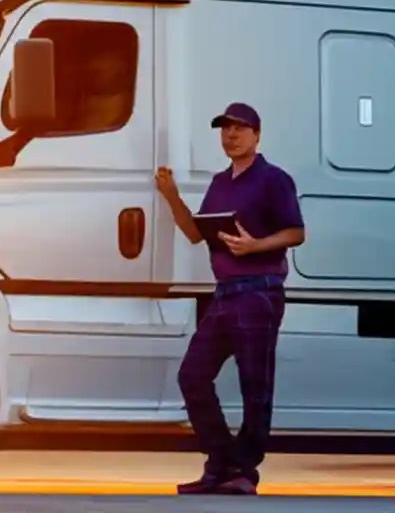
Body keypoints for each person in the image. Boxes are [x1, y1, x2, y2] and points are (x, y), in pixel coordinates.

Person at [154, 101, 305, 496]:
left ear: (257, 134)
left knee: (255, 386)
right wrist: (171, 196)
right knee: (192, 375)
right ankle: (221, 462)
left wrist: (255, 246)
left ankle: (244, 471)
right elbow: (195, 233)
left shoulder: (274, 179)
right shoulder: (221, 183)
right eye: (225, 129)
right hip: (224, 295)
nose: (231, 135)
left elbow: (296, 232)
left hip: (259, 293)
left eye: (239, 128)